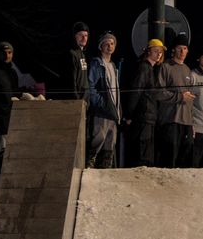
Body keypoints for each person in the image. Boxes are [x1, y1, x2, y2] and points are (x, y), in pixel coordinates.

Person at [156, 36, 196, 168]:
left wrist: (192, 123)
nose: (182, 51)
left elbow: (190, 99)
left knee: (184, 159)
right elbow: (159, 93)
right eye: (180, 48)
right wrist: (180, 97)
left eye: (185, 48)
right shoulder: (166, 67)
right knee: (169, 160)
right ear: (174, 50)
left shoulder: (188, 70)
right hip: (170, 120)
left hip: (186, 122)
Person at [125, 38, 165, 167]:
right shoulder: (144, 68)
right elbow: (136, 92)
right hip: (143, 117)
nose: (159, 54)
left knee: (147, 154)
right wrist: (129, 115)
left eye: (160, 51)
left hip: (149, 117)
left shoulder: (152, 69)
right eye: (155, 51)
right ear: (148, 52)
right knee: (142, 155)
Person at [85, 32, 122, 168]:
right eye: (106, 43)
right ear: (101, 46)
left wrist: (118, 111)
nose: (109, 46)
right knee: (96, 145)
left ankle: (105, 179)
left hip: (112, 114)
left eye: (112, 43)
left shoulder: (113, 65)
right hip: (101, 113)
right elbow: (90, 86)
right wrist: (101, 103)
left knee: (109, 150)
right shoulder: (96, 63)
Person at [68, 21, 90, 100]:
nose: (84, 38)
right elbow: (71, 79)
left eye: (86, 35)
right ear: (75, 36)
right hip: (76, 100)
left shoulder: (82, 54)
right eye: (80, 35)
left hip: (84, 98)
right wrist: (76, 98)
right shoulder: (72, 54)